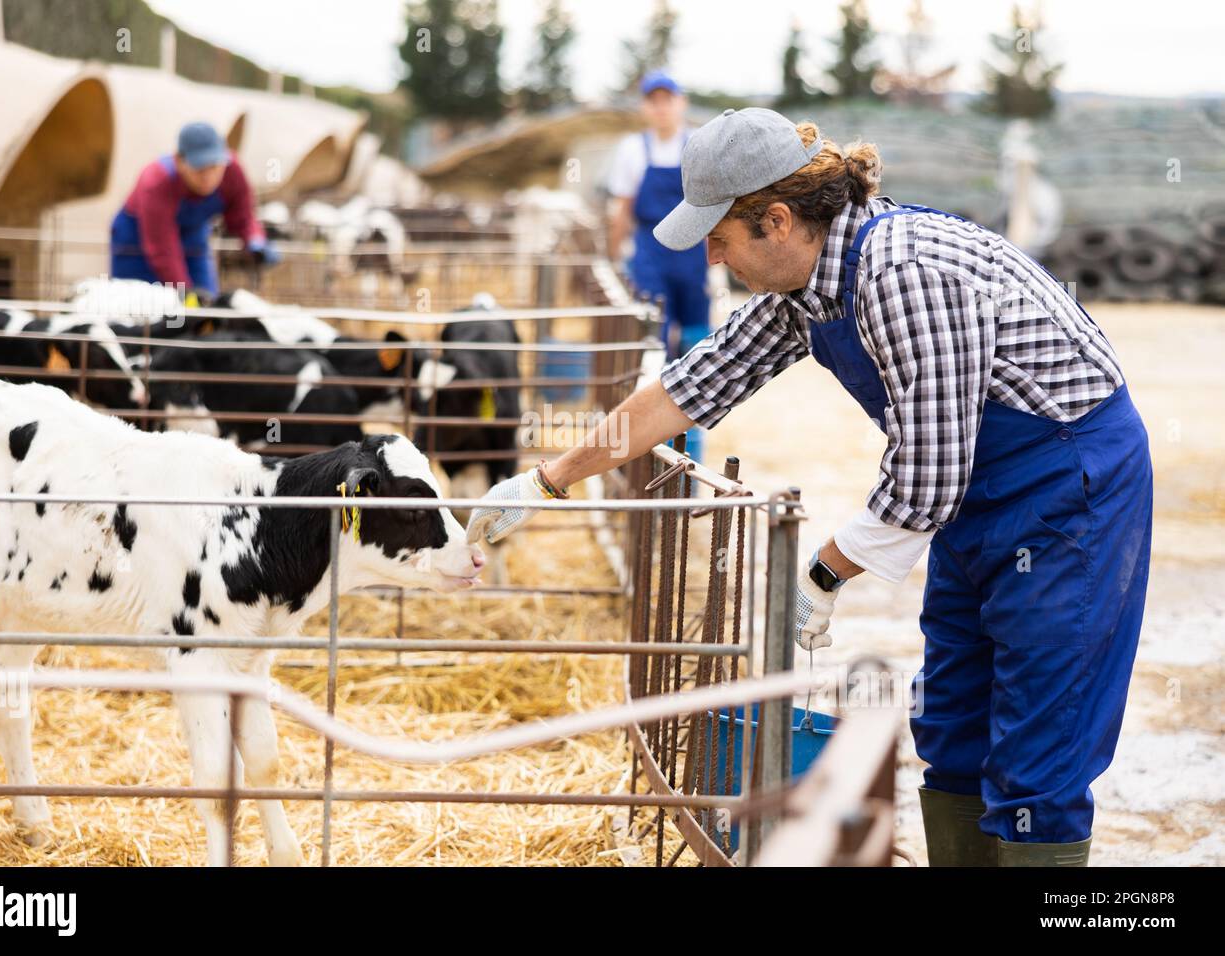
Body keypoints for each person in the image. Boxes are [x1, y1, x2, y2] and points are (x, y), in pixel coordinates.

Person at [468, 108, 1153, 868]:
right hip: (976, 493)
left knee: (1039, 743)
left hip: (1066, 486)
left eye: (720, 240)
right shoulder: (807, 286)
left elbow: (926, 480)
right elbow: (687, 390)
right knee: (955, 723)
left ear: (779, 220)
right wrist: (546, 480)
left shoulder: (902, 272)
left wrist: (825, 570)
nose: (717, 262)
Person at [606, 69, 709, 463]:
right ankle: (651, 446)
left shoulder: (696, 146)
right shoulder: (633, 149)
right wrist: (616, 260)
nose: (662, 107)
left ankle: (691, 447)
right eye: (654, 100)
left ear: (681, 103)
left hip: (693, 257)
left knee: (698, 347)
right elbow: (622, 210)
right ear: (645, 107)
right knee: (654, 347)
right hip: (649, 255)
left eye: (669, 99)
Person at [110, 121, 279, 302]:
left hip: (193, 237)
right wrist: (185, 293)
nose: (208, 177)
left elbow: (243, 216)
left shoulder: (233, 172)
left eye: (214, 166)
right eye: (199, 168)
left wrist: (255, 241)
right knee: (138, 308)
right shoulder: (157, 182)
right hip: (137, 241)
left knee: (206, 305)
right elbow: (162, 249)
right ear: (179, 161)